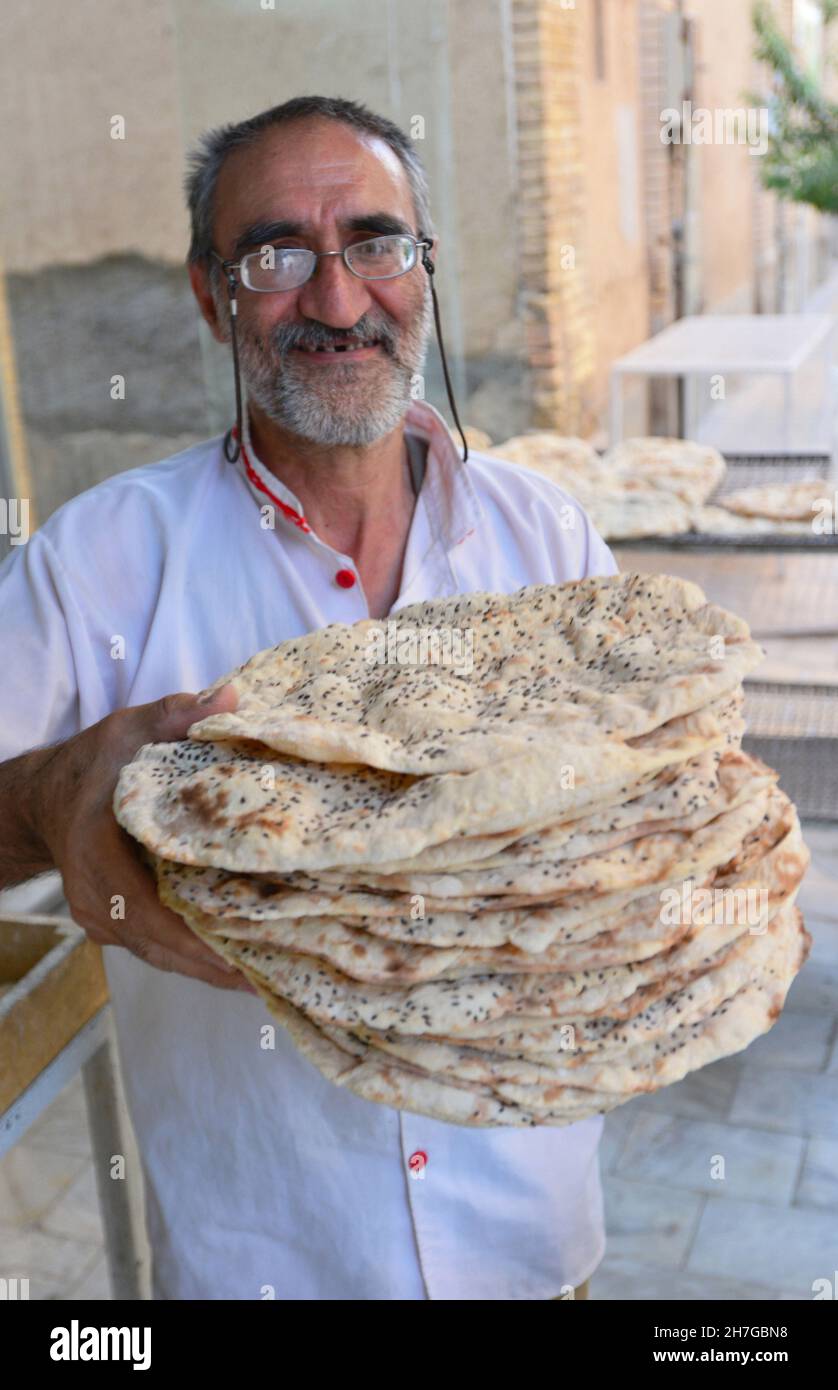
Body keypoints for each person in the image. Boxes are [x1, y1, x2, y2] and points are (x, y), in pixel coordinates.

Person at [0, 95, 617, 1300]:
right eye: (277, 255)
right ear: (207, 293)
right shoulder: (101, 563)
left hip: (537, 1261)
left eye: (375, 243)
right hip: (263, 1271)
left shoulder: (548, 537)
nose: (337, 301)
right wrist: (55, 796)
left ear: (422, 269)